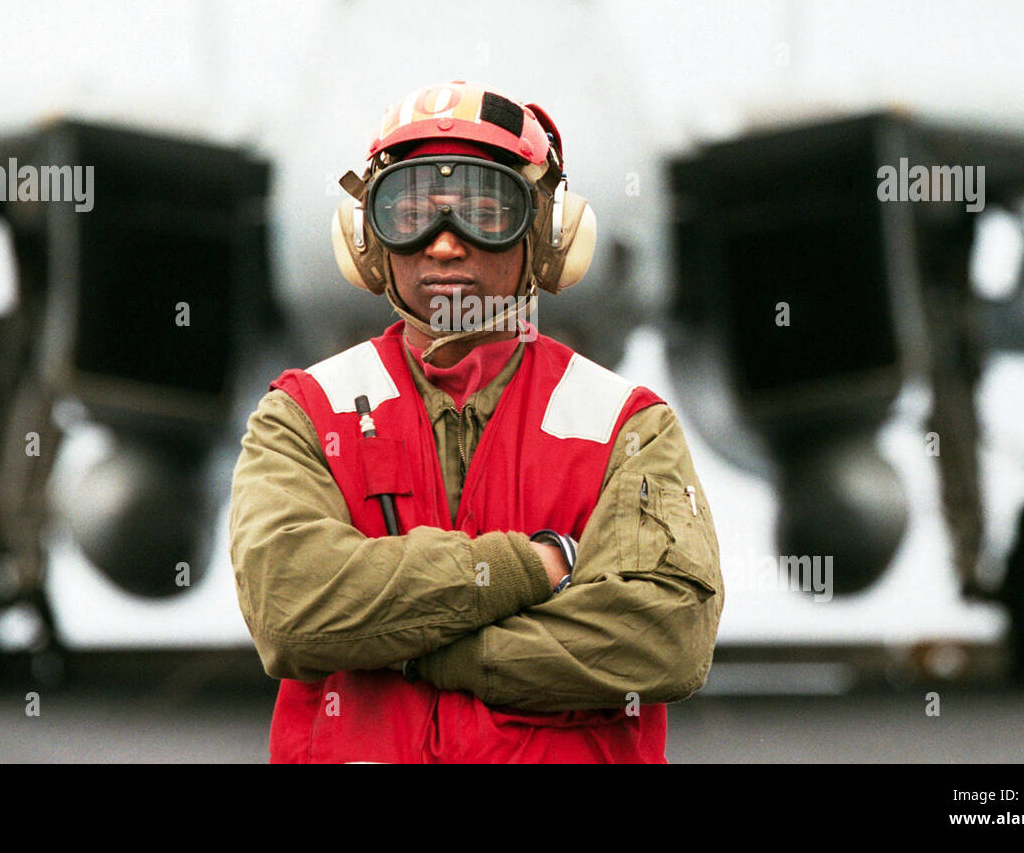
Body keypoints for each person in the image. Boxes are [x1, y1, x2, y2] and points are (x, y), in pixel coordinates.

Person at [229, 80, 722, 763]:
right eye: (411, 213)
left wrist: (424, 648)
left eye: (485, 211)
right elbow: (294, 613)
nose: (443, 245)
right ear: (367, 238)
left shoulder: (628, 427)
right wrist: (531, 565)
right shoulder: (303, 416)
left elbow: (665, 637)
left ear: (549, 236)